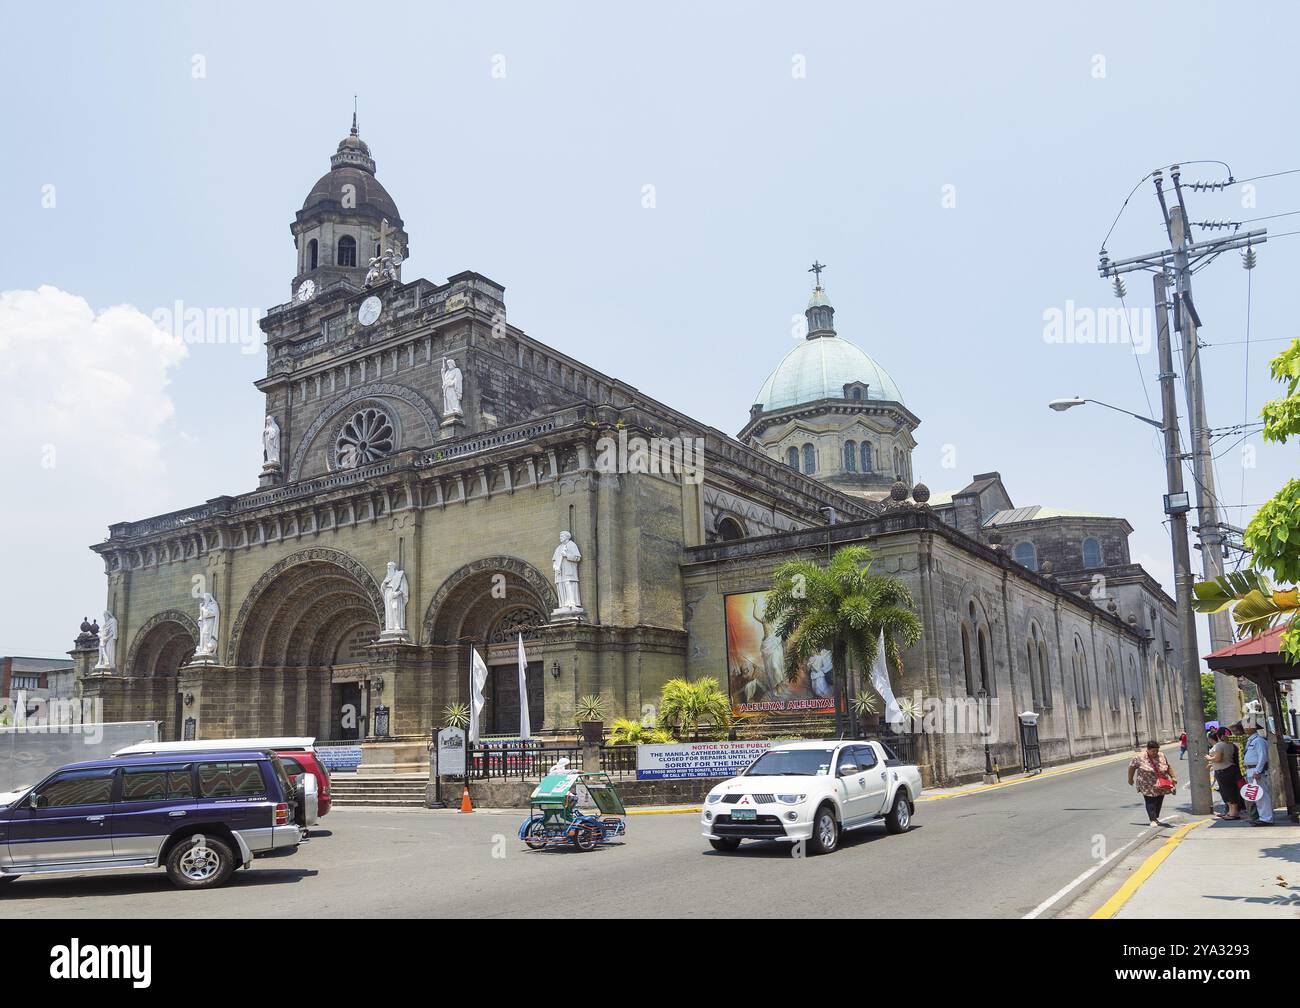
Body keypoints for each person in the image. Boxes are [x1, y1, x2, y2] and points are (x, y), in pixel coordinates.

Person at [1128, 740, 1176, 827]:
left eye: (1157, 750)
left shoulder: (1161, 755)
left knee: (1159, 800)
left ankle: (1155, 816)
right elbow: (1131, 768)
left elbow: (1168, 766)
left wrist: (1173, 777)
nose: (1155, 752)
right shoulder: (1139, 757)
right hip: (1146, 783)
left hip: (1161, 783)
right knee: (1150, 800)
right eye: (1153, 751)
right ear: (1148, 749)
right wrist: (1130, 779)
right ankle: (1153, 819)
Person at [1206, 727, 1241, 821]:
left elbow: (1218, 759)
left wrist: (1209, 758)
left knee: (1228, 792)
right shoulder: (1231, 745)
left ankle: (1233, 813)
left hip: (1224, 771)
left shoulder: (1220, 745)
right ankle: (1231, 812)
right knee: (1230, 792)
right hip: (1230, 770)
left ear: (1218, 735)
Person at [1243, 720, 1274, 827]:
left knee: (1262, 795)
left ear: (1254, 727)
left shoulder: (1258, 741)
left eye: (1248, 726)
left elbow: (1262, 757)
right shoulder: (1251, 740)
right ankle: (1262, 817)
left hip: (1256, 771)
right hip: (1250, 770)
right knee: (1257, 795)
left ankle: (1266, 818)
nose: (1246, 728)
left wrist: (1258, 770)